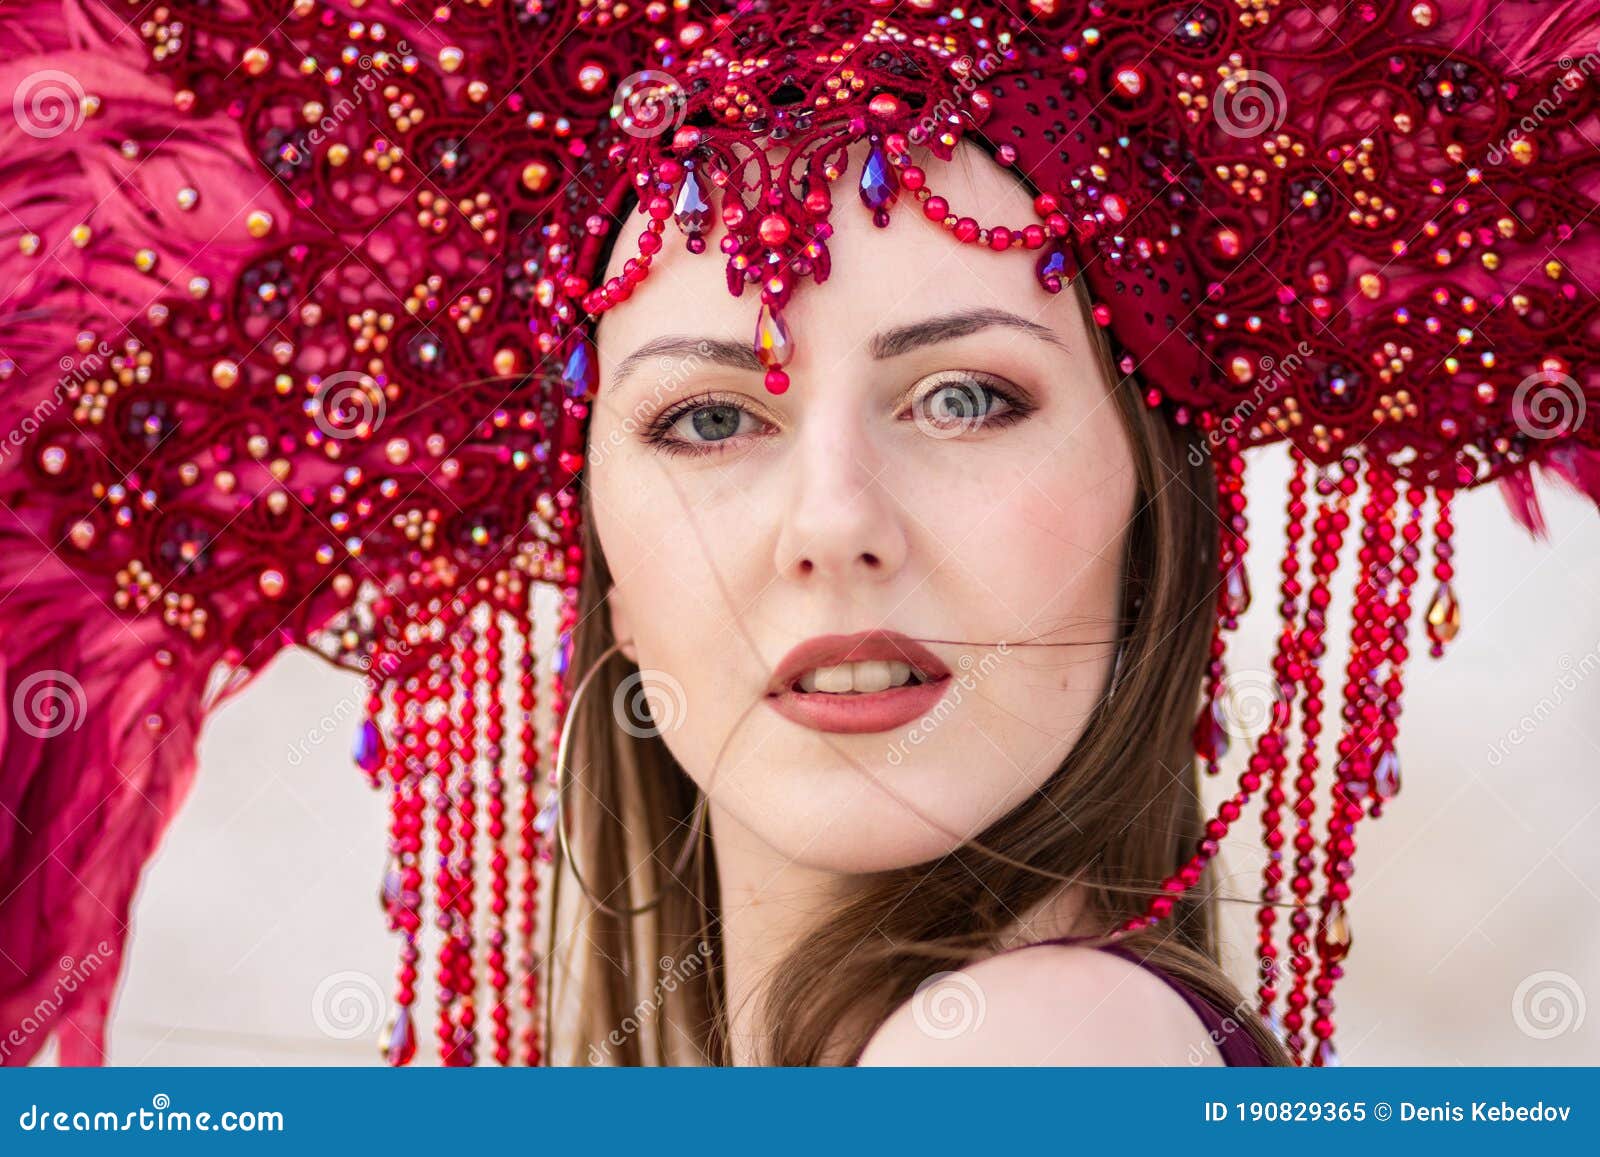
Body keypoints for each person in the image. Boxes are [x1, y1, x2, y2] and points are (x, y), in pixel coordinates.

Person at [0, 0, 1594, 1068]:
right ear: (600, 549)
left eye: (968, 398)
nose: (836, 524)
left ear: (1154, 505)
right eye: (707, 420)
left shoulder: (1037, 1053)